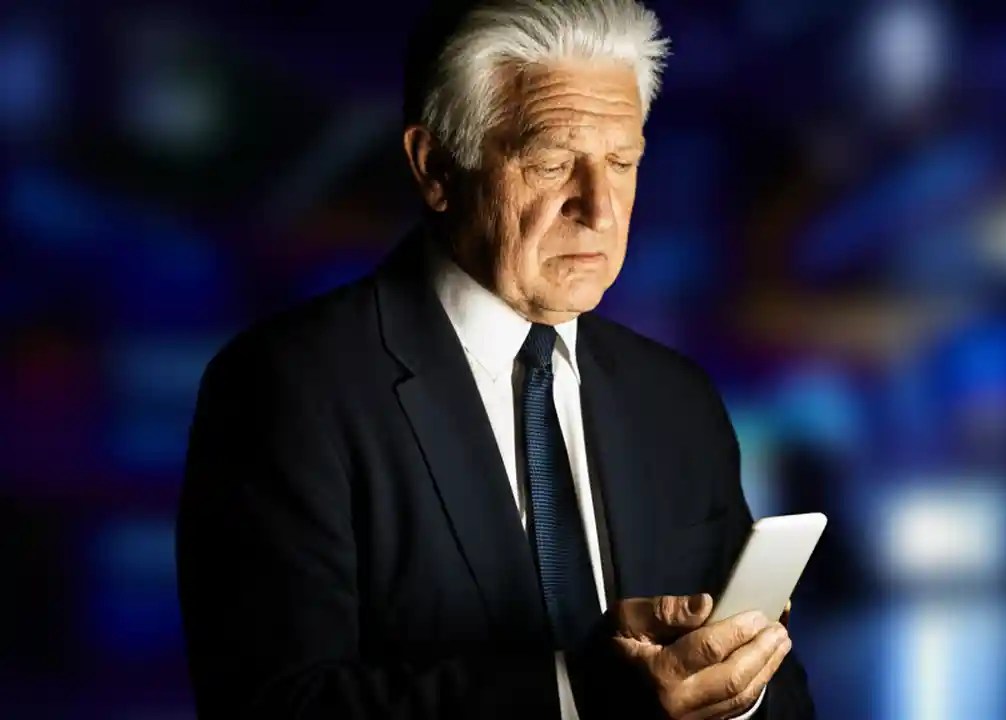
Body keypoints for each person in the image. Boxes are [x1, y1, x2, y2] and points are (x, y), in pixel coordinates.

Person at [176, 1, 815, 717]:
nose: (600, 210)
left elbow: (785, 697)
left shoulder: (677, 398)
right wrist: (579, 692)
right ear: (435, 167)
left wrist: (735, 694)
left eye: (623, 162)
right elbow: (272, 705)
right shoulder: (285, 388)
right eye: (550, 163)